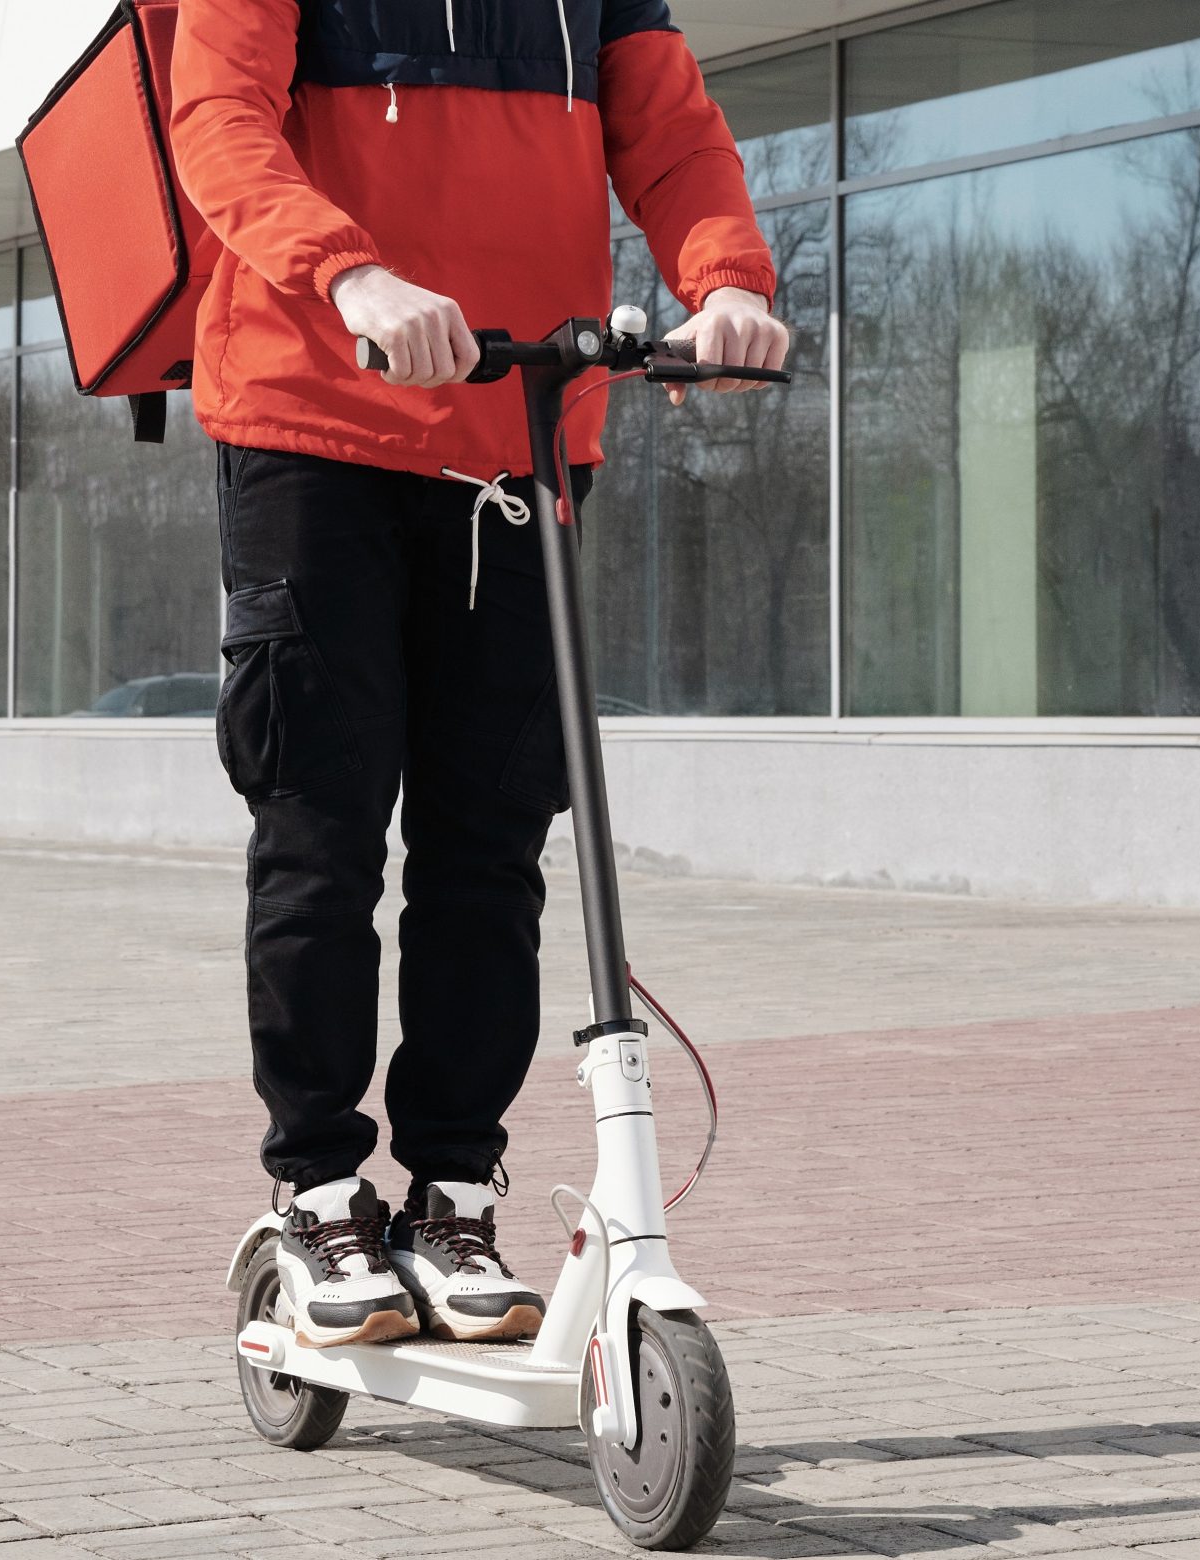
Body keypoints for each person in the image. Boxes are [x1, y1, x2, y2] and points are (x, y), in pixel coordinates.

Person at [170, 0, 787, 1347]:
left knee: (492, 844)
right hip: (312, 417)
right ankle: (319, 1194)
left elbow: (673, 140)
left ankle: (452, 1193)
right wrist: (350, 274)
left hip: (518, 432)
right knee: (323, 830)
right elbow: (216, 118)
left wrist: (728, 282)